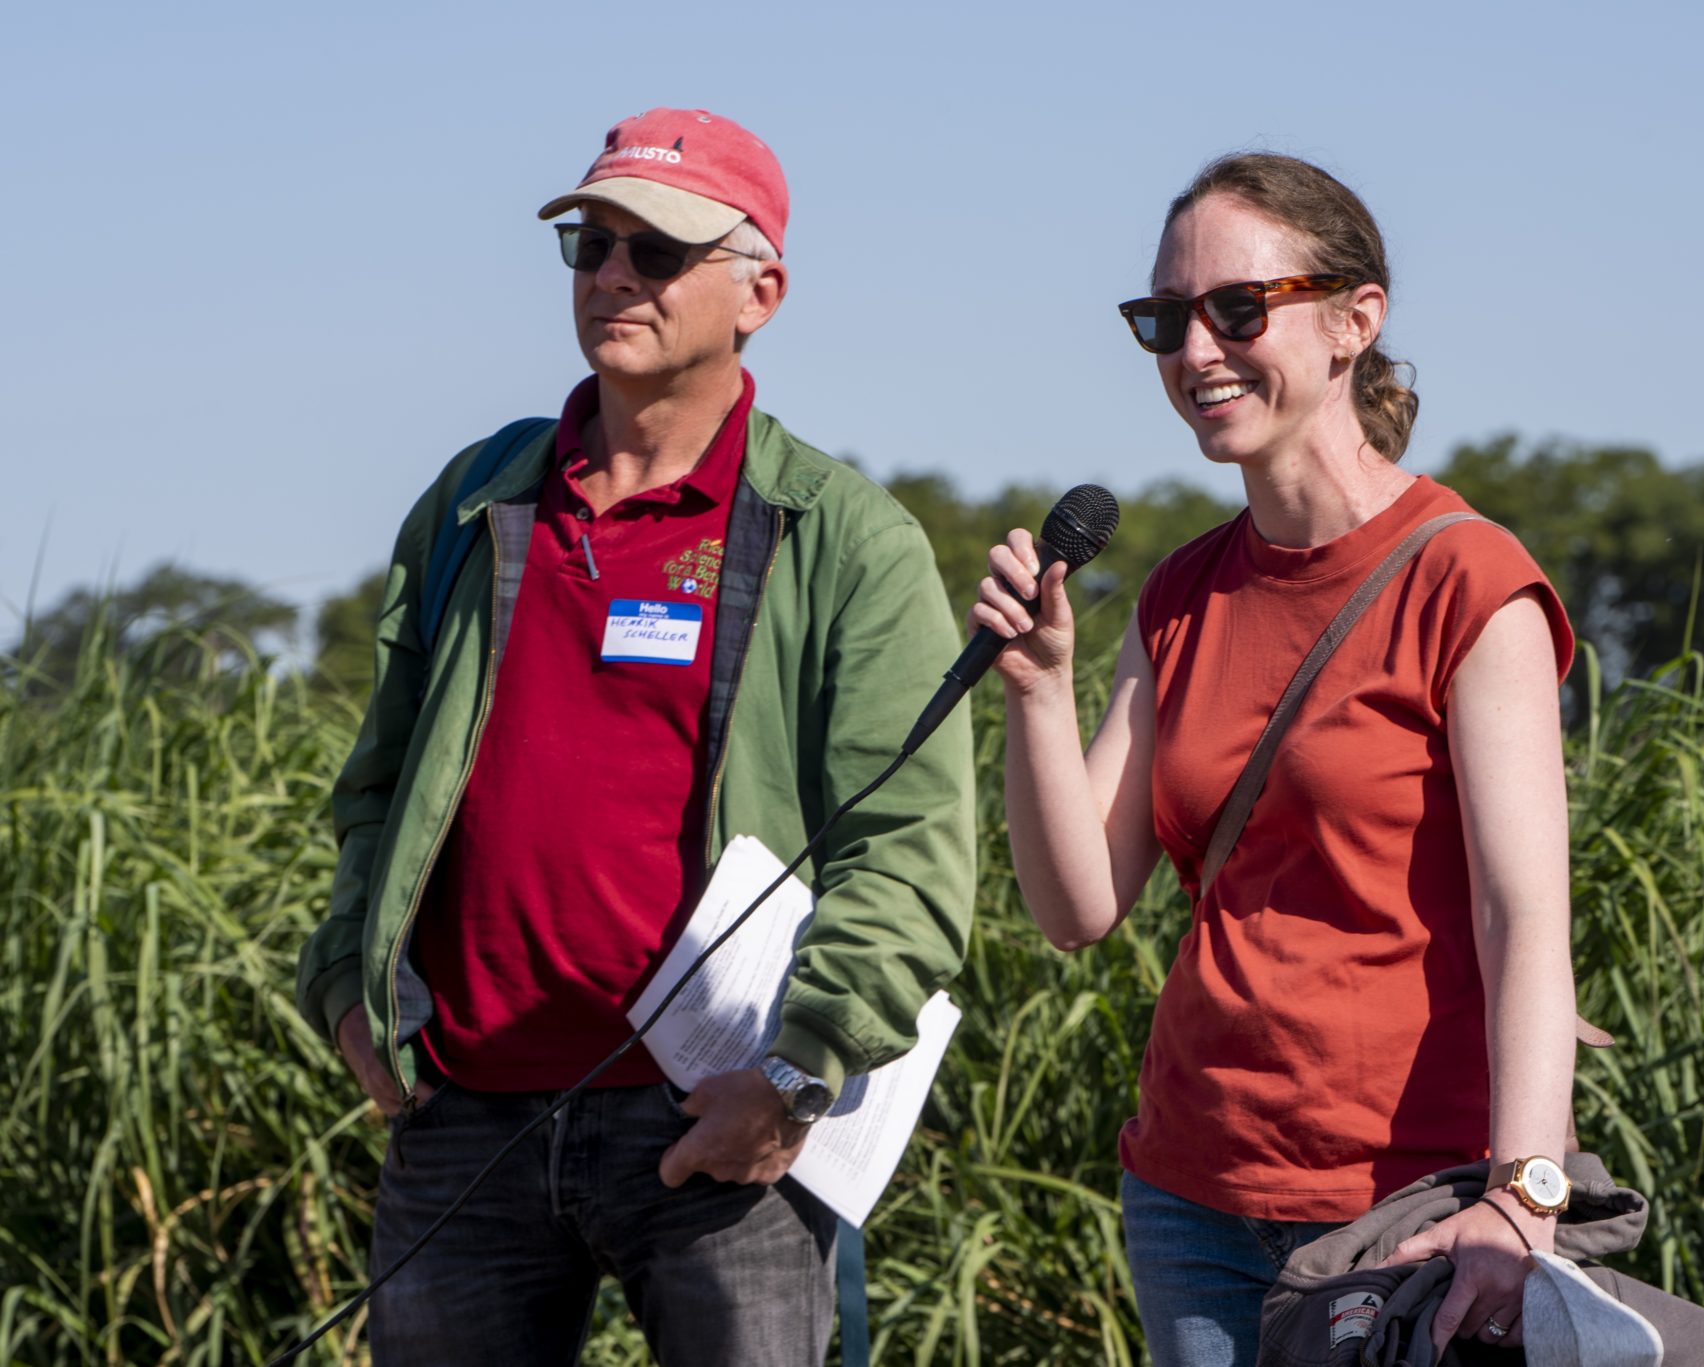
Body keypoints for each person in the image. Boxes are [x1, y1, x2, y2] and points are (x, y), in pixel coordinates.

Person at [294, 107, 975, 1366]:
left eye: (656, 252)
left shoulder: (843, 535)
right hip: (463, 1109)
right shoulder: (471, 499)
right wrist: (347, 983)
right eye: (592, 244)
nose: (612, 274)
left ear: (759, 289)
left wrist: (797, 1073)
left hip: (717, 1123)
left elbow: (908, 848)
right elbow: (374, 784)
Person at [972, 152, 1580, 1364]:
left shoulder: (1469, 581)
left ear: (1356, 320)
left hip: (1408, 1209)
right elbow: (1076, 905)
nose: (1194, 350)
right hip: (1190, 1191)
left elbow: (1525, 921)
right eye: (1164, 319)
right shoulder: (1180, 591)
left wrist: (1522, 1196)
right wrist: (1038, 692)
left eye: (1236, 310)